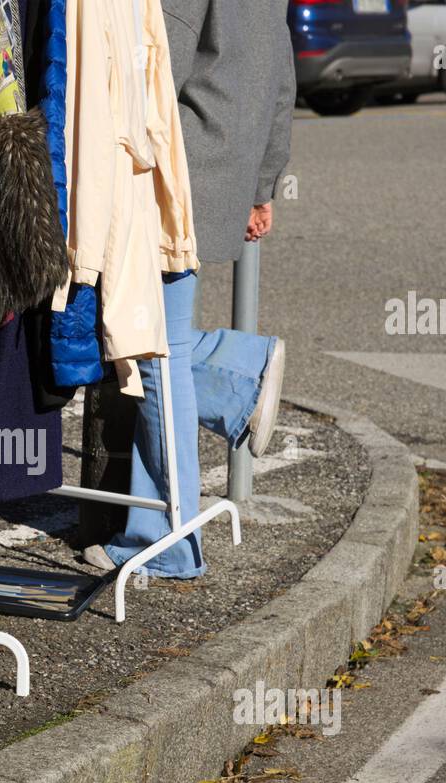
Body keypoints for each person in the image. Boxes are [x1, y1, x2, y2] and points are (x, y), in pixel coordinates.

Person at [86, 0, 295, 579]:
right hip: (222, 165)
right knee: (155, 346)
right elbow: (281, 70)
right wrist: (262, 182)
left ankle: (240, 375)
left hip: (175, 169)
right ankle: (151, 529)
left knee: (154, 350)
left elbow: (153, 64)